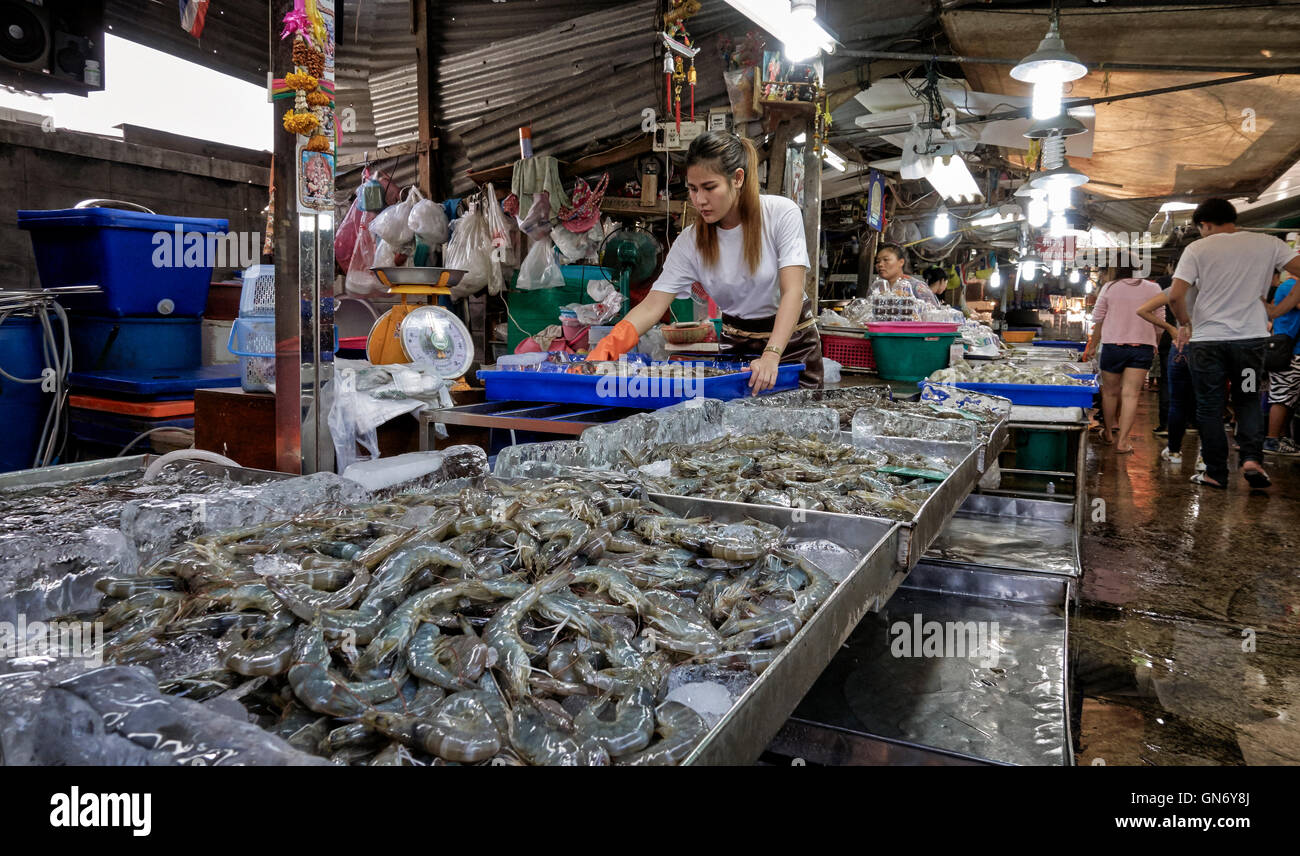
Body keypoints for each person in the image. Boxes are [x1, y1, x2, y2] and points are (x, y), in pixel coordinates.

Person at [587, 131, 823, 390]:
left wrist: (771, 354)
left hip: (791, 346)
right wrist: (608, 347)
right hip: (737, 348)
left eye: (710, 188)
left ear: (738, 178)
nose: (700, 200)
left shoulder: (780, 213)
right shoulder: (691, 241)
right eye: (693, 189)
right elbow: (652, 306)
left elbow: (792, 291)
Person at [1168, 197, 1300, 489]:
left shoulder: (1197, 248)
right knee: (1248, 399)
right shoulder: (1268, 244)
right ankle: (1252, 459)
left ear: (1204, 224)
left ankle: (1215, 472)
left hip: (1207, 344)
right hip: (1250, 344)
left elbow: (1176, 296)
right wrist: (1279, 309)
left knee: (1209, 407)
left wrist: (1185, 324)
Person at [1082, 270, 1163, 453]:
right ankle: (1123, 442)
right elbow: (1160, 322)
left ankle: (1109, 433)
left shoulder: (1110, 287)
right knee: (1131, 394)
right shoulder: (1154, 287)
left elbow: (1097, 318)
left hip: (1113, 346)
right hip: (1143, 347)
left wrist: (1094, 344)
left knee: (1110, 393)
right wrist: (1155, 343)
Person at [1137, 286, 1200, 466]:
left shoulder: (1180, 288)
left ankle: (1174, 452)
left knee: (1177, 402)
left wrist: (1174, 327)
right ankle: (1205, 457)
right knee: (1208, 404)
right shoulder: (1217, 286)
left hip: (1182, 346)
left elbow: (1142, 310)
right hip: (1209, 347)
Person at [1264, 268, 1300, 455]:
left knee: (1289, 399)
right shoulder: (1291, 286)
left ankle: (1283, 439)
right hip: (1290, 351)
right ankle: (1271, 440)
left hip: (1291, 350)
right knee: (1282, 397)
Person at [874, 244, 943, 309]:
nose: (880, 264)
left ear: (901, 262)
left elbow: (934, 314)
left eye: (886, 260)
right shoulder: (876, 288)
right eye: (877, 261)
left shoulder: (916, 287)